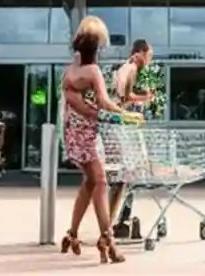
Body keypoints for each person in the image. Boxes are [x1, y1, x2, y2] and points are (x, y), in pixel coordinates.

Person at [58, 16, 143, 265]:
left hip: (74, 134)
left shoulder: (70, 72)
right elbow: (104, 101)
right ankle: (108, 240)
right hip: (87, 135)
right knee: (101, 180)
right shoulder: (93, 71)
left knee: (90, 182)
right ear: (96, 50)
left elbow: (76, 102)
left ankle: (72, 234)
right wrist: (123, 114)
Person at [109, 39, 154, 239]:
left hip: (118, 128)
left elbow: (121, 97)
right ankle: (119, 221)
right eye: (149, 55)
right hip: (124, 130)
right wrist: (144, 100)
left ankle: (118, 220)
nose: (149, 60)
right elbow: (125, 99)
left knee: (123, 179)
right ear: (140, 53)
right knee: (129, 175)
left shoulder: (123, 68)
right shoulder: (133, 68)